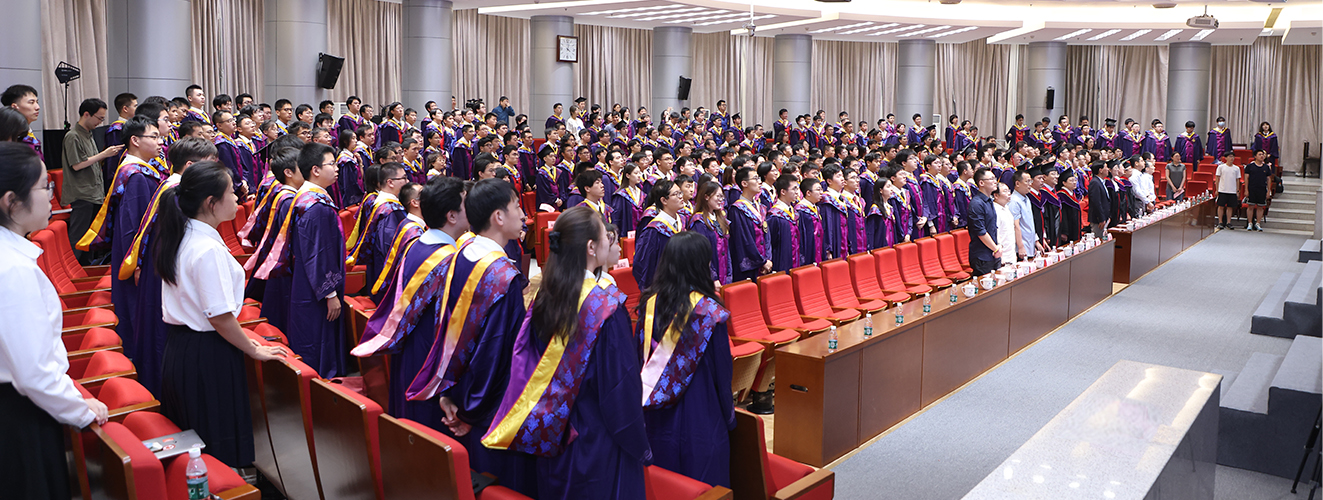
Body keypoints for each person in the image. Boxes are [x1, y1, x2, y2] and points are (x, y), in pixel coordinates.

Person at [482, 205, 651, 499]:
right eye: (605, 237)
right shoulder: (607, 308)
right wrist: (640, 445)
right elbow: (620, 391)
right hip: (597, 442)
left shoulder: (544, 296)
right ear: (590, 247)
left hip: (553, 436)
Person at [152, 161, 290, 468]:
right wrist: (254, 348)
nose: (238, 199)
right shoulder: (206, 248)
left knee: (197, 441)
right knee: (214, 445)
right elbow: (220, 317)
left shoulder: (183, 233)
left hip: (181, 349)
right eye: (231, 192)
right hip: (207, 354)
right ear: (211, 203)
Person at [0, 143, 109, 498]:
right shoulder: (12, 269)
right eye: (45, 186)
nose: (53, 195)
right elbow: (33, 372)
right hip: (18, 416)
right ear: (11, 202)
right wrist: (80, 408)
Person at [352, 176, 469, 428]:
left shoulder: (420, 243)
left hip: (411, 346)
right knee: (428, 427)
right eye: (465, 203)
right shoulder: (447, 258)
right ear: (451, 215)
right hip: (430, 353)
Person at [119, 137, 218, 396]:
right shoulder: (177, 194)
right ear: (189, 166)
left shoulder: (174, 188)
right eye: (210, 164)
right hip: (168, 271)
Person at [638, 231, 734, 487]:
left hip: (656, 415)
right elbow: (722, 372)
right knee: (702, 485)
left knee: (665, 483)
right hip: (701, 413)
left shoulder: (649, 303)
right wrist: (729, 416)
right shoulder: (710, 311)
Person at [77, 116, 167, 356]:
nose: (160, 142)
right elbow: (132, 227)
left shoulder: (139, 170)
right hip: (137, 257)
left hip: (138, 254)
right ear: (135, 140)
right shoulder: (136, 175)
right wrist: (136, 264)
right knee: (139, 315)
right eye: (154, 137)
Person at [288, 143, 347, 377]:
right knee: (317, 334)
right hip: (316, 288)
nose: (336, 168)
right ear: (315, 169)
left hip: (308, 279)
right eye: (331, 164)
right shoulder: (314, 207)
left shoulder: (309, 198)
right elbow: (317, 253)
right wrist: (330, 294)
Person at [62, 98, 125, 264]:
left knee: (89, 238)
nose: (100, 122)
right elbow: (77, 165)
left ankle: (86, 269)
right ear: (86, 114)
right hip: (82, 195)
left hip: (93, 193)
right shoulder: (73, 136)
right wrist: (104, 154)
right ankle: (72, 270)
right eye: (99, 118)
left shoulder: (87, 134)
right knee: (78, 237)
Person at [348, 162, 409, 301]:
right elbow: (390, 249)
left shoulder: (386, 205)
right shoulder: (389, 210)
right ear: (390, 182)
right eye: (404, 178)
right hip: (386, 275)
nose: (407, 181)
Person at [633, 179, 684, 290]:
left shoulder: (682, 222)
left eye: (680, 193)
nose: (681, 197)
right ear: (664, 200)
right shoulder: (654, 230)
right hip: (663, 291)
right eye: (676, 194)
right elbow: (641, 265)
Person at [729, 166, 772, 282]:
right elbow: (744, 240)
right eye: (755, 178)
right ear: (744, 183)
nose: (760, 182)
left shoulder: (760, 207)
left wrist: (768, 259)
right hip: (751, 267)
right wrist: (761, 262)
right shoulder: (737, 210)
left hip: (765, 263)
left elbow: (767, 235)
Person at [688, 181, 732, 284]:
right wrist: (713, 277)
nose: (721, 200)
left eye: (722, 197)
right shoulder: (699, 222)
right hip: (708, 278)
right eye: (718, 196)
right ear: (706, 197)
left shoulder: (719, 218)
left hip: (724, 273)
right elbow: (701, 253)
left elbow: (726, 249)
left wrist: (729, 274)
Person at [965, 167, 1001, 276]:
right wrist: (995, 249)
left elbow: (992, 227)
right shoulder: (976, 204)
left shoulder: (989, 201)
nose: (995, 182)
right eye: (991, 179)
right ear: (981, 183)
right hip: (982, 256)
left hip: (993, 253)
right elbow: (981, 232)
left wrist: (997, 246)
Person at [766, 174, 801, 272]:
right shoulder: (774, 215)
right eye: (794, 189)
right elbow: (771, 243)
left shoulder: (794, 213)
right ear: (783, 191)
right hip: (781, 262)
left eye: (797, 188)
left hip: (796, 260)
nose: (797, 192)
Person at [2, 85, 42, 155]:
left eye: (37, 102)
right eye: (31, 102)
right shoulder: (11, 138)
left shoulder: (30, 133)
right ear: (14, 107)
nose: (37, 107)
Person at [1008, 170, 1038, 261]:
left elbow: (1029, 223)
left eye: (1031, 181)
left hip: (1029, 245)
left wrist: (1035, 243)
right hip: (1021, 248)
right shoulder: (1014, 201)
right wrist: (1020, 247)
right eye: (1027, 181)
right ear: (1017, 183)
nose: (1030, 184)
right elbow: (1016, 225)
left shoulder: (1026, 198)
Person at [796, 177, 826, 264]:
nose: (821, 193)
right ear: (808, 193)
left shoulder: (816, 208)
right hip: (808, 253)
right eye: (818, 190)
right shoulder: (800, 211)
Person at [1244, 149, 1273, 231]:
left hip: (1262, 189)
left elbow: (1268, 179)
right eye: (1260, 154)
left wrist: (1268, 191)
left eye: (1263, 154)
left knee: (1260, 207)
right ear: (1255, 156)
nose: (1262, 156)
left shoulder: (1266, 167)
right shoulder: (1250, 166)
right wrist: (1246, 190)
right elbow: (1246, 178)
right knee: (1251, 206)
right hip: (1252, 188)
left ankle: (1258, 223)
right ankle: (1250, 223)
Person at [1087, 161, 1113, 238]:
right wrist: (1101, 219)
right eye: (1106, 167)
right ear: (1100, 170)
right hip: (1098, 220)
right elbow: (1096, 202)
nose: (1108, 169)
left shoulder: (1101, 182)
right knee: (1098, 239)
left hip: (1104, 217)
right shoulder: (1095, 182)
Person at [993, 183, 1017, 267]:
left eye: (1009, 191)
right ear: (996, 195)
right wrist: (1001, 257)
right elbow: (996, 233)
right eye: (1005, 191)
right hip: (1003, 257)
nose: (1009, 193)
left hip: (1011, 254)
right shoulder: (995, 210)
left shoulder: (1006, 207)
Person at [1057, 169, 1083, 245]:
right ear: (1064, 183)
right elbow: (1063, 215)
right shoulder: (1061, 196)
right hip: (1068, 230)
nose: (1074, 182)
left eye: (1075, 180)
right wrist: (1064, 232)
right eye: (1071, 181)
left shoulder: (1072, 194)